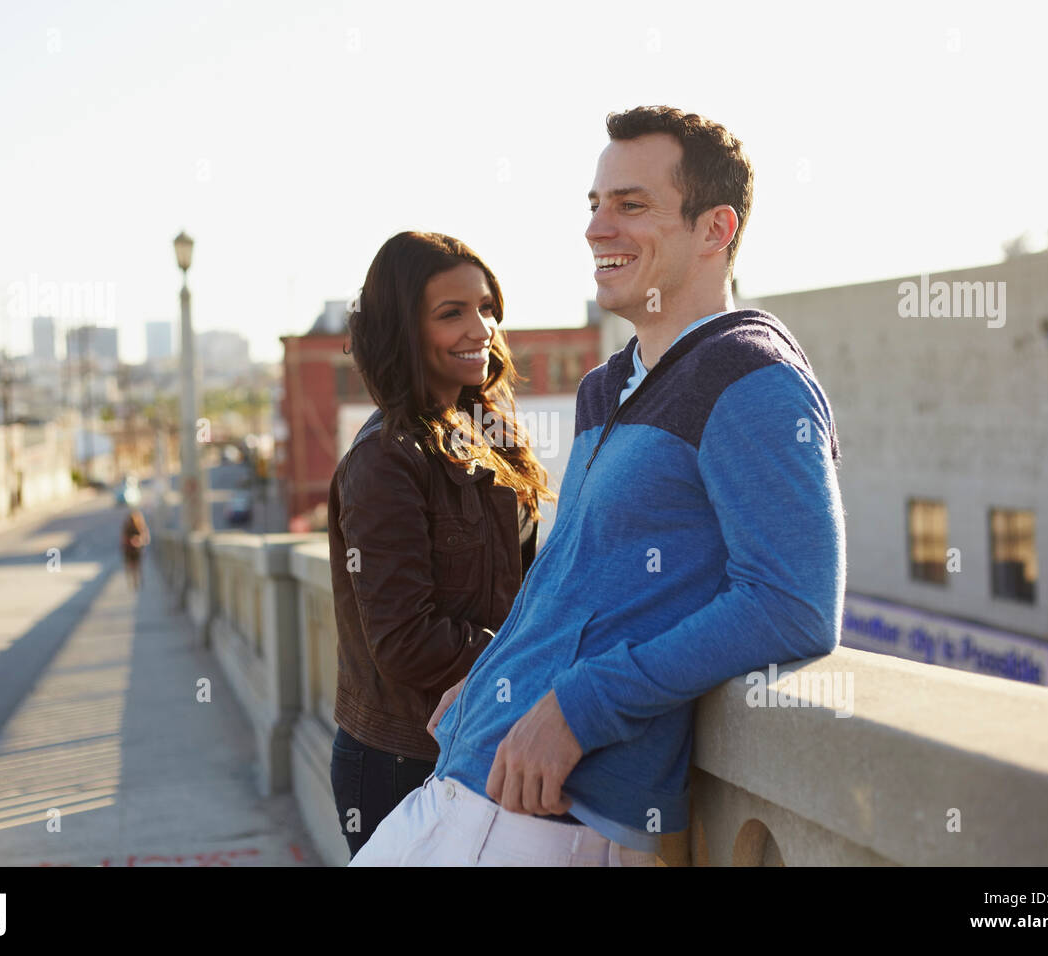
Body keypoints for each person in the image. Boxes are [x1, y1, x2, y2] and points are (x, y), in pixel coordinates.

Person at [351, 106, 846, 867]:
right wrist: (493, 671)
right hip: (466, 779)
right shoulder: (603, 387)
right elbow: (574, 580)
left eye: (632, 204)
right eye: (595, 204)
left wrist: (582, 706)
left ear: (715, 230)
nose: (596, 229)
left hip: (541, 816)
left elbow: (792, 604)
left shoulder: (751, 379)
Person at [328, 231, 556, 859]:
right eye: (451, 313)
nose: (479, 327)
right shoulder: (384, 460)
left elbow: (527, 586)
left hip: (483, 737)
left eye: (485, 308)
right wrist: (531, 663)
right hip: (405, 761)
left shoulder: (486, 431)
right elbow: (406, 640)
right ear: (404, 330)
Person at [121, 508, 149, 591]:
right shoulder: (127, 527)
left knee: (137, 566)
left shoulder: (140, 526)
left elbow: (145, 539)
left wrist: (138, 541)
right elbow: (123, 539)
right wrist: (129, 542)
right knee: (131, 566)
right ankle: (133, 582)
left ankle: (137, 581)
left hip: (137, 550)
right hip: (129, 550)